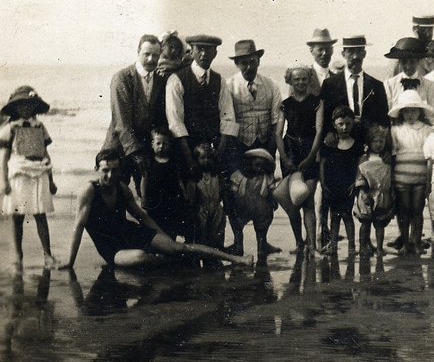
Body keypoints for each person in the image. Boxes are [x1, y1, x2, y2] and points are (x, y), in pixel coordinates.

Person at [60, 148, 252, 269]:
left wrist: (164, 237)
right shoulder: (89, 191)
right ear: (96, 170)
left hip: (133, 233)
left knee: (178, 247)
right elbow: (78, 227)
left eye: (115, 170)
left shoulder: (122, 188)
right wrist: (69, 262)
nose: (110, 175)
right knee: (140, 257)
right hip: (112, 247)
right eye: (105, 171)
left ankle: (236, 260)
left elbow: (142, 216)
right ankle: (177, 262)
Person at [0, 86, 58, 268]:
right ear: (15, 108)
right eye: (21, 105)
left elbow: (46, 154)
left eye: (29, 104)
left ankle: (48, 255)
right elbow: (4, 159)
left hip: (39, 171)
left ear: (35, 106)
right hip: (18, 173)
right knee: (18, 216)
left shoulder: (40, 126)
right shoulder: (10, 128)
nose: (26, 108)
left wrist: (51, 179)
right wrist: (4, 181)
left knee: (40, 215)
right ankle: (18, 255)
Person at [104, 34, 168, 191]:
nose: (151, 59)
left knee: (148, 197)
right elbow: (121, 121)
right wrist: (135, 152)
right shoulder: (122, 78)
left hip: (146, 148)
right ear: (138, 52)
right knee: (115, 196)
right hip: (120, 146)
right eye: (147, 54)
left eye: (155, 55)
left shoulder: (161, 81)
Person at [165, 34, 237, 172]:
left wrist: (219, 152)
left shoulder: (220, 80)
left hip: (213, 148)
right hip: (186, 147)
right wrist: (189, 158)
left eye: (209, 50)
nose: (204, 54)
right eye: (199, 49)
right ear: (191, 51)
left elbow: (228, 117)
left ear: (215, 53)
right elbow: (175, 122)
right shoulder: (176, 80)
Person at [277, 65, 323, 253]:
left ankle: (312, 245)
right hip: (290, 151)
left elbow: (319, 130)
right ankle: (299, 243)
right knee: (292, 202)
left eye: (304, 79)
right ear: (290, 81)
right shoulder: (285, 104)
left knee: (308, 200)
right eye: (296, 79)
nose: (301, 82)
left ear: (309, 80)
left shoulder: (317, 102)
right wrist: (284, 157)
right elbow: (278, 133)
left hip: (310, 148)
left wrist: (312, 155)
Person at [224, 39, 282, 173]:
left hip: (265, 144)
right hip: (240, 145)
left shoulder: (271, 85)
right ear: (236, 64)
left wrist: (270, 152)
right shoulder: (229, 86)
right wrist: (234, 155)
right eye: (244, 63)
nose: (249, 67)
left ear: (258, 61)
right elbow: (228, 123)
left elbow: (276, 121)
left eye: (252, 61)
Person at [389, 89, 434, 255]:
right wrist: (392, 180)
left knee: (417, 209)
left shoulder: (427, 130)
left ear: (420, 111)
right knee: (403, 209)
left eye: (413, 110)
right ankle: (405, 242)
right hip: (401, 176)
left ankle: (416, 242)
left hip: (420, 177)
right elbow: (393, 154)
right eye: (406, 111)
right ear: (401, 113)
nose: (410, 114)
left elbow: (430, 156)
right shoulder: (395, 130)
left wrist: (429, 180)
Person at [319, 35, 389, 134]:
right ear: (343, 54)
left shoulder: (376, 86)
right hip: (340, 140)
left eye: (359, 51)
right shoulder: (330, 84)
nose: (355, 56)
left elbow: (383, 118)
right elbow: (324, 116)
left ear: (364, 54)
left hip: (367, 138)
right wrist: (329, 132)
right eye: (351, 52)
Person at [320, 106, 363, 258]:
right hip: (332, 185)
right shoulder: (329, 144)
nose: (345, 127)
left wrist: (355, 182)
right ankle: (333, 245)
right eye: (341, 124)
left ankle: (352, 246)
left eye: (348, 124)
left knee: (347, 215)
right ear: (334, 125)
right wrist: (323, 184)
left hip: (348, 186)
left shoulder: (356, 144)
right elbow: (323, 164)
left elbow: (360, 165)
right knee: (334, 216)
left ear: (353, 124)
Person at [226, 148, 278, 258]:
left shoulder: (266, 177)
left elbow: (273, 191)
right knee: (237, 226)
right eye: (257, 165)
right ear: (249, 162)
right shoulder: (239, 175)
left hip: (261, 209)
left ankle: (261, 248)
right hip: (242, 207)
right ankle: (238, 245)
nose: (260, 169)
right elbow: (233, 192)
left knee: (261, 228)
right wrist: (233, 205)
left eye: (263, 167)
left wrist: (273, 201)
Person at [140, 128, 190, 242]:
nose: (161, 146)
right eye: (158, 143)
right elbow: (144, 180)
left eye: (164, 143)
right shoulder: (149, 162)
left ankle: (169, 247)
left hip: (170, 201)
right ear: (152, 144)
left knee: (170, 225)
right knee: (154, 224)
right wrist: (143, 198)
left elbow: (179, 181)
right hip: (154, 200)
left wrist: (185, 195)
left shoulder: (173, 162)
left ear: (170, 145)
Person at [353, 125, 395, 257]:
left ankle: (380, 248)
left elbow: (389, 176)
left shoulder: (386, 159)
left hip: (382, 194)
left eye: (381, 141)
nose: (378, 144)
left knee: (380, 223)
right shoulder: (364, 158)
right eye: (375, 141)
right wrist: (363, 191)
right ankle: (362, 246)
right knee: (365, 222)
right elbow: (360, 176)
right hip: (366, 193)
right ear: (369, 142)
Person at [384, 37, 434, 118]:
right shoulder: (389, 85)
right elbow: (388, 111)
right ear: (399, 62)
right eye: (404, 62)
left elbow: (433, 113)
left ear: (419, 61)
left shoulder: (429, 86)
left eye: (412, 62)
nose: (408, 66)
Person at [188, 143, 226, 255]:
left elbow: (223, 191)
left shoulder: (217, 175)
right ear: (197, 159)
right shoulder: (194, 177)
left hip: (216, 209)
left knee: (217, 234)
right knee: (201, 236)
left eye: (209, 158)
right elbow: (191, 198)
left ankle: (216, 258)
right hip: (201, 210)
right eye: (203, 158)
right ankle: (203, 258)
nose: (206, 160)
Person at [306, 28, 338, 94]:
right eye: (320, 49)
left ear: (332, 50)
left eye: (327, 49)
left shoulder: (337, 79)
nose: (324, 53)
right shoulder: (304, 77)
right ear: (311, 50)